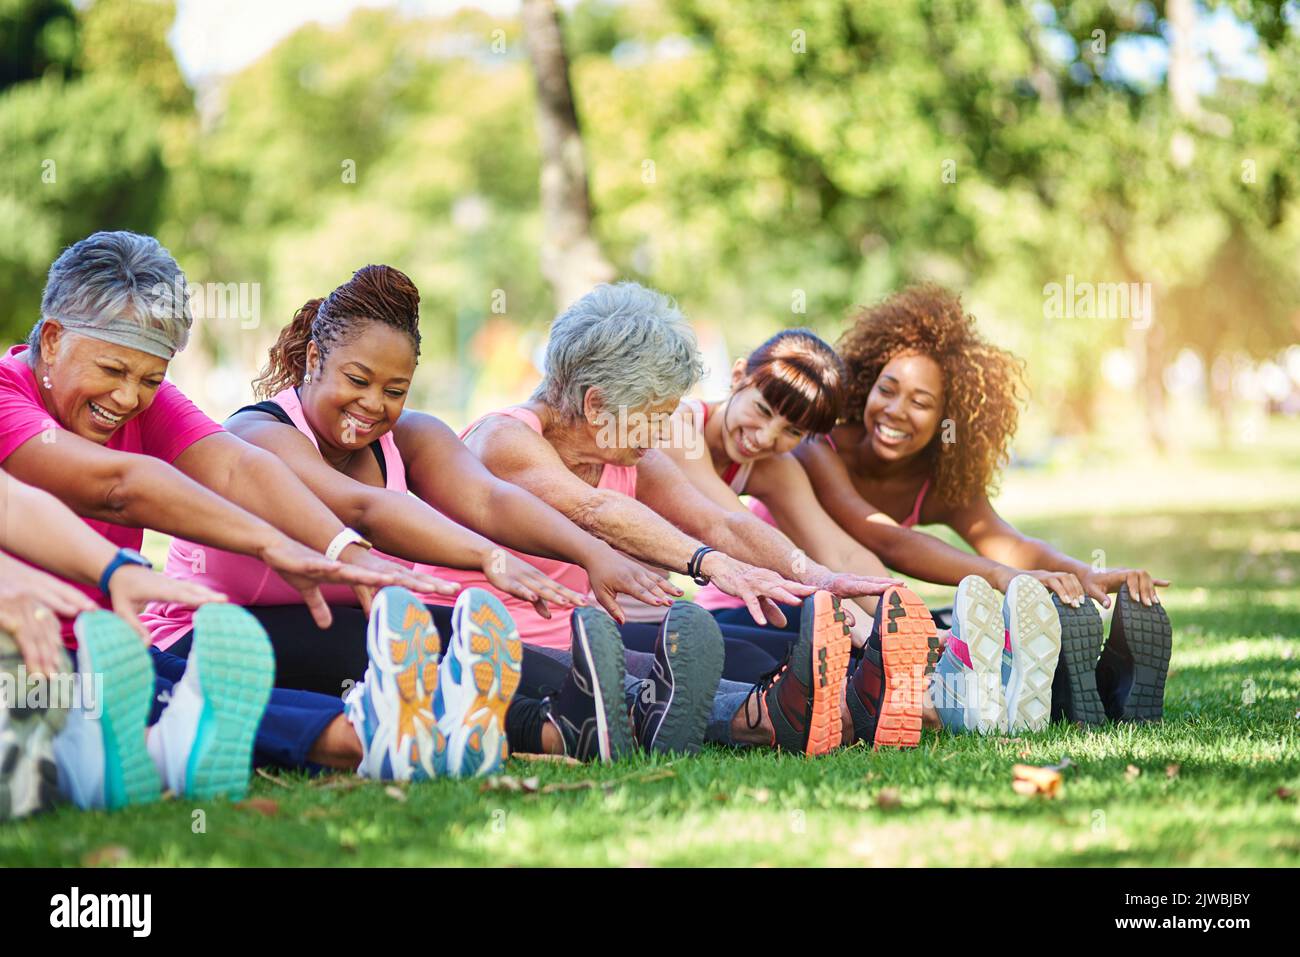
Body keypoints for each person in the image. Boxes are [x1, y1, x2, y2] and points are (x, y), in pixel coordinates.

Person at [0, 231, 519, 789]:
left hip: (109, 649)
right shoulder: (9, 398)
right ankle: (382, 735)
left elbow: (238, 468)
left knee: (219, 694)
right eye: (112, 371)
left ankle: (392, 735)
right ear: (51, 340)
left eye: (151, 378)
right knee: (164, 693)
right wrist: (270, 544)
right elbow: (119, 485)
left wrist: (335, 546)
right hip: (33, 652)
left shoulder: (145, 405)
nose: (129, 399)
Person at [145, 263, 683, 763]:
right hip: (203, 636)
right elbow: (363, 508)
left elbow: (488, 498)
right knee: (382, 642)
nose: (373, 404)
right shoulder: (257, 434)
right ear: (314, 360)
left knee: (462, 633)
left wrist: (590, 553)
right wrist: (489, 558)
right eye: (357, 381)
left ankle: (634, 708)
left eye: (394, 390)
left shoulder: (411, 438)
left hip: (333, 625)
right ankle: (552, 727)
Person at [421, 281, 924, 755]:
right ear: (597, 404)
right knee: (635, 686)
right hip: (474, 633)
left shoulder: (631, 457)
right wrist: (706, 564)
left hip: (574, 631)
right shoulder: (505, 440)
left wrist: (816, 578)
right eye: (654, 415)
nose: (663, 430)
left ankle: (853, 702)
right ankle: (780, 716)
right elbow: (596, 512)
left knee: (739, 656)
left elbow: (721, 524)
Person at [795, 284, 1173, 727]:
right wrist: (1000, 576)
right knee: (931, 631)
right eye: (888, 390)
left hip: (863, 603)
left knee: (977, 625)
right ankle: (1060, 682)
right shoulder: (820, 449)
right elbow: (882, 536)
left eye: (921, 402)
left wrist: (1083, 573)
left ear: (948, 417)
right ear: (865, 386)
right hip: (794, 603)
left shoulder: (938, 482)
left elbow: (1008, 543)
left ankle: (1096, 682)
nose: (895, 411)